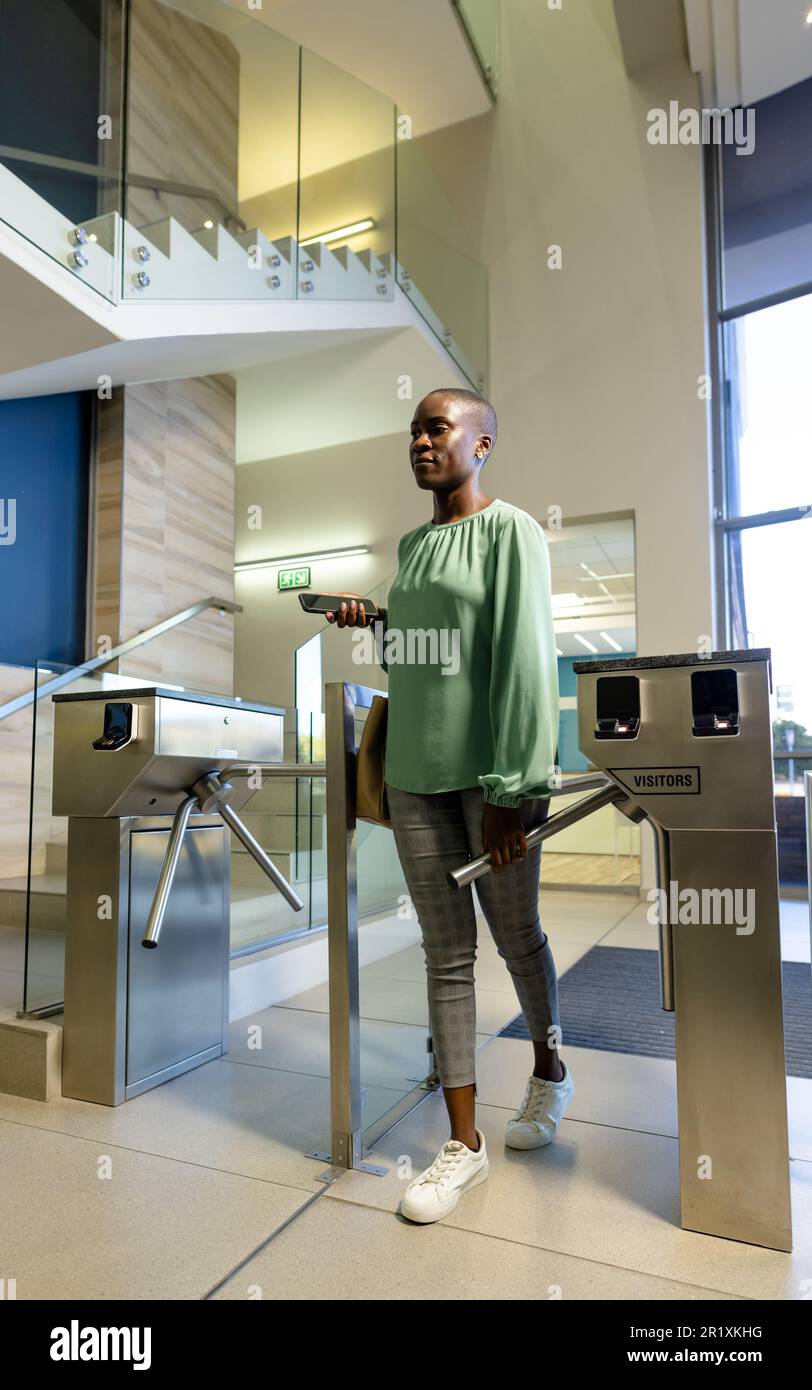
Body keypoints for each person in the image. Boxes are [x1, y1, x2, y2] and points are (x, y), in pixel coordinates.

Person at [325, 387, 572, 1225]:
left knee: (517, 936)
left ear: (484, 443)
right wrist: (375, 627)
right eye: (415, 431)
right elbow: (422, 663)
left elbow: (521, 661)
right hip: (415, 778)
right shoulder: (411, 546)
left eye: (438, 428)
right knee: (446, 953)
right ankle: (464, 1145)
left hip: (491, 779)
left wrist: (513, 789)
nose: (422, 442)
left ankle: (549, 1071)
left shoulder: (512, 533)